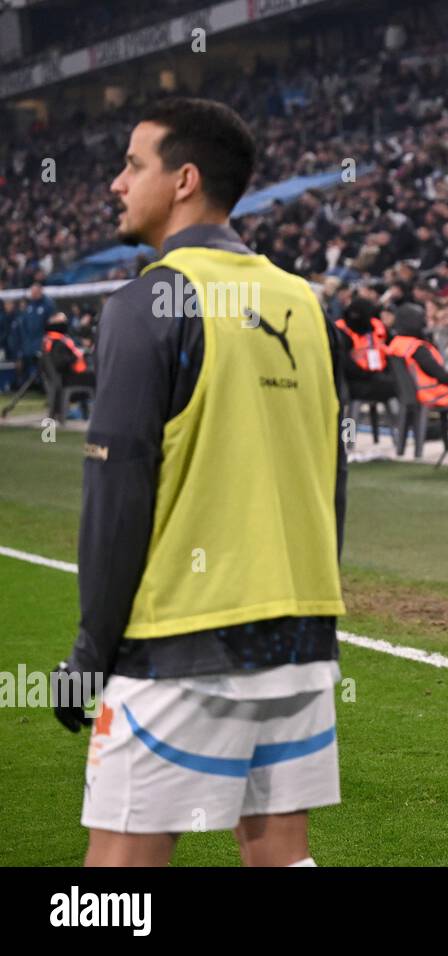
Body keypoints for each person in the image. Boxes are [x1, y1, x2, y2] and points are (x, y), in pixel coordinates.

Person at [53, 97, 347, 867]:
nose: (116, 183)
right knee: (280, 855)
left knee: (118, 870)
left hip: (184, 636)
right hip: (302, 631)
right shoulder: (303, 301)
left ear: (184, 180)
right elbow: (331, 479)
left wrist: (90, 650)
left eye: (131, 165)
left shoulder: (150, 299)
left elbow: (115, 496)